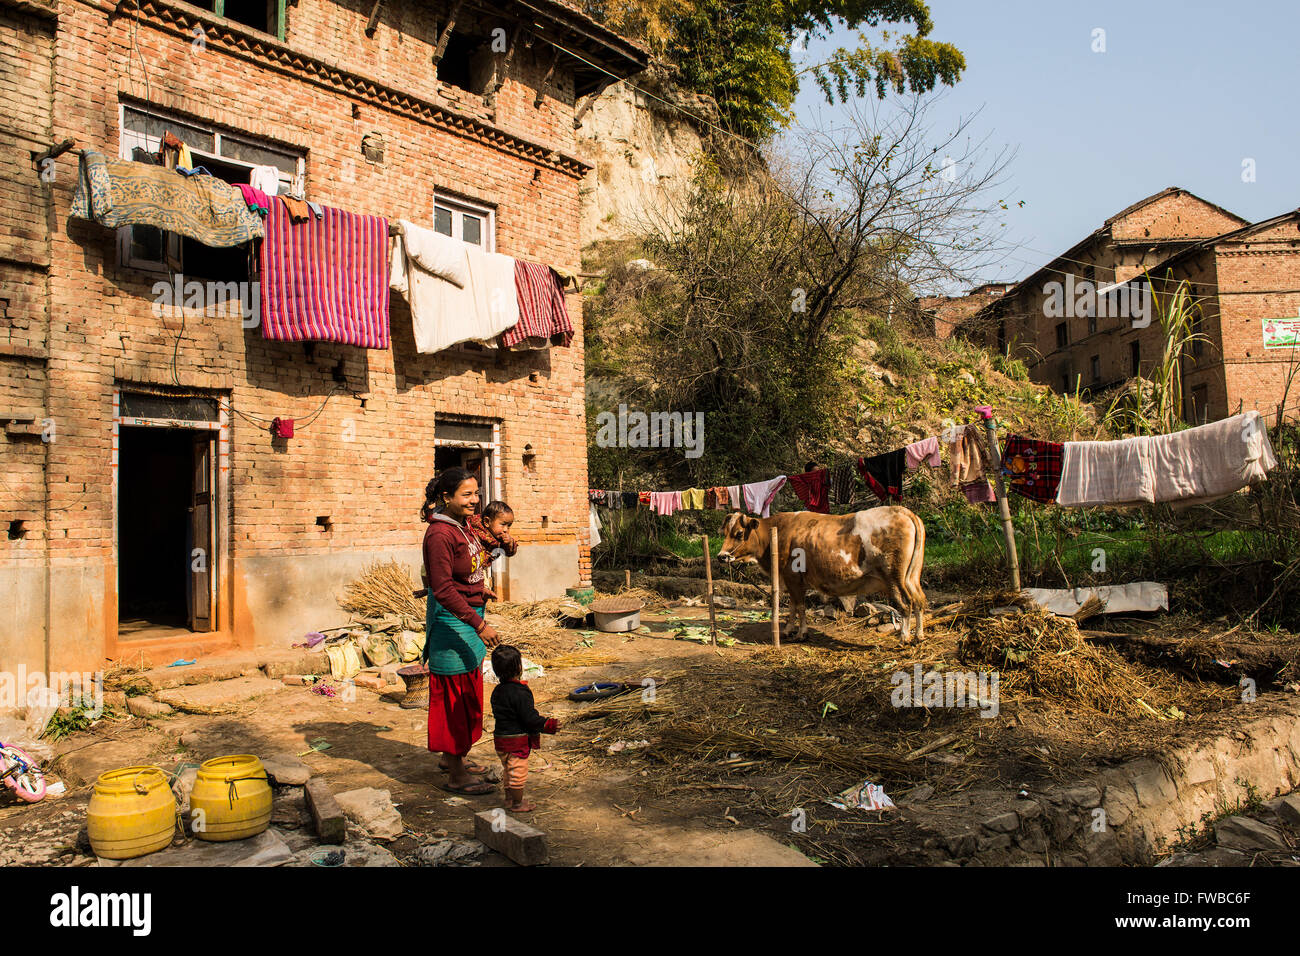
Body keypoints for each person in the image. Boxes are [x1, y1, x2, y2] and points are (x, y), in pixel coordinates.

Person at [420, 467, 499, 795]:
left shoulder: (463, 527)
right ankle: (455, 775)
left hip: (467, 618)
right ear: (446, 498)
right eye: (466, 494)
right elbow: (441, 588)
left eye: (476, 493)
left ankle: (453, 759)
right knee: (454, 698)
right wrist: (479, 624)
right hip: (453, 625)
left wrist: (479, 590)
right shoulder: (440, 534)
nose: (475, 500)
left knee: (467, 694)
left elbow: (463, 573)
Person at [489, 643, 559, 812]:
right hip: (516, 741)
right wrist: (548, 724)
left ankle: (508, 799)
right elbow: (530, 718)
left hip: (500, 739)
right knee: (517, 773)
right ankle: (518, 804)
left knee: (508, 770)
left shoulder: (497, 691)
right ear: (519, 667)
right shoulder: (520, 692)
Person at [466, 500, 518, 601]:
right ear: (487, 522)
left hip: (482, 569)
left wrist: (510, 543)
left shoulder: (500, 539)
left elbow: (510, 552)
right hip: (470, 566)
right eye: (503, 524)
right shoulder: (473, 530)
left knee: (481, 594)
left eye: (509, 526)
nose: (506, 530)